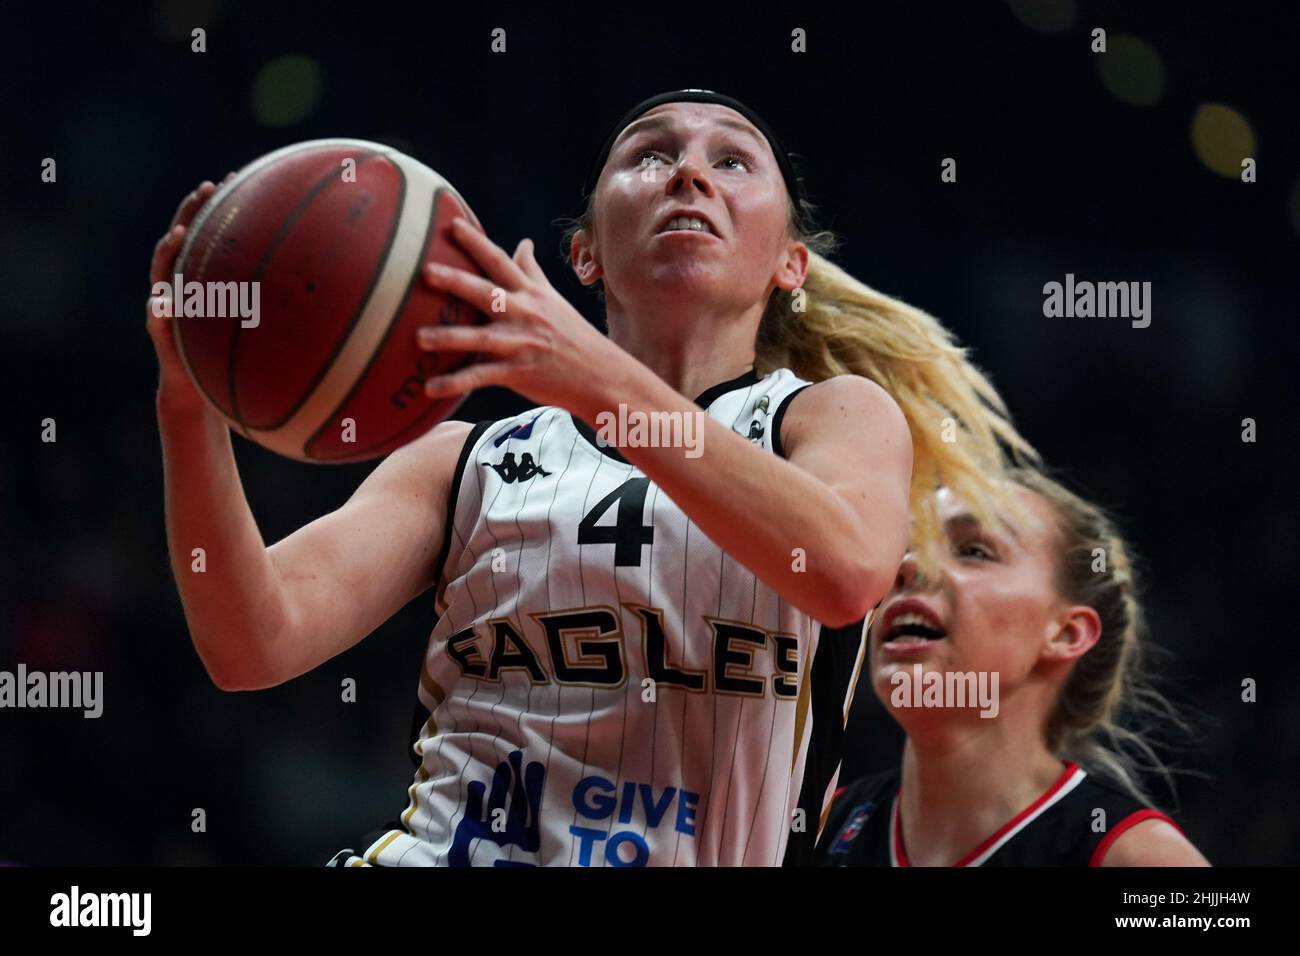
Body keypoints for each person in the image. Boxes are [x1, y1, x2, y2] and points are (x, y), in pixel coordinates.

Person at [146, 90, 1028, 866]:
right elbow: (249, 644)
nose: (689, 174)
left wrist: (590, 379)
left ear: (788, 264)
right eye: (651, 154)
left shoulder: (830, 417)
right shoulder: (463, 456)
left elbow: (841, 572)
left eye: (731, 159)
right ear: (586, 257)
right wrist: (187, 406)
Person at [815, 469, 1210, 866]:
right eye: (907, 547)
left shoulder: (1135, 855)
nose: (909, 565)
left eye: (973, 551)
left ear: (1066, 634)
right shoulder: (817, 826)